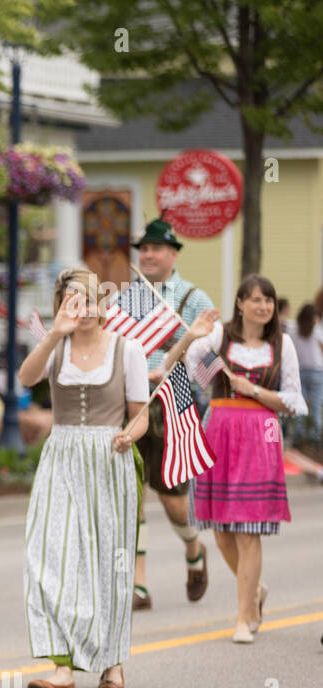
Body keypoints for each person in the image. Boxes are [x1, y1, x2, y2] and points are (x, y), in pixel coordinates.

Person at [18, 268, 148, 688]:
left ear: (103, 304)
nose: (85, 309)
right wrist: (55, 334)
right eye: (75, 302)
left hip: (109, 457)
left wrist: (131, 433)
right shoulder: (56, 348)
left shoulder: (127, 350)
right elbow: (25, 378)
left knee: (107, 560)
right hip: (62, 455)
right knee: (49, 554)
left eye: (91, 300)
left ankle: (111, 658)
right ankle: (62, 669)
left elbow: (140, 411)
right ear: (62, 307)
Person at [170, 275, 307, 643]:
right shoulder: (220, 338)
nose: (264, 307)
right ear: (241, 303)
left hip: (261, 432)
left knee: (248, 527)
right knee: (221, 527)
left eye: (269, 301)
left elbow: (294, 401)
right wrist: (198, 344)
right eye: (257, 300)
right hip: (219, 427)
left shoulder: (283, 345)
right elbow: (191, 365)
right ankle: (255, 590)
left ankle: (244, 616)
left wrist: (256, 391)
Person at [130, 218, 214, 611]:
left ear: (173, 253)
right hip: (130, 399)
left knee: (172, 499)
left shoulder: (195, 299)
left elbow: (211, 361)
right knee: (131, 494)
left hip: (174, 399)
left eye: (156, 248)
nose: (147, 255)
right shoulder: (124, 299)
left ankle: (193, 549)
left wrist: (176, 364)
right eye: (143, 249)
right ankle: (139, 585)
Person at [287, 301, 323, 445]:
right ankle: (316, 439)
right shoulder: (317, 330)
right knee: (316, 406)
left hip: (300, 371)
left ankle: (299, 437)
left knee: (300, 406)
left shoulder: (294, 330)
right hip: (317, 372)